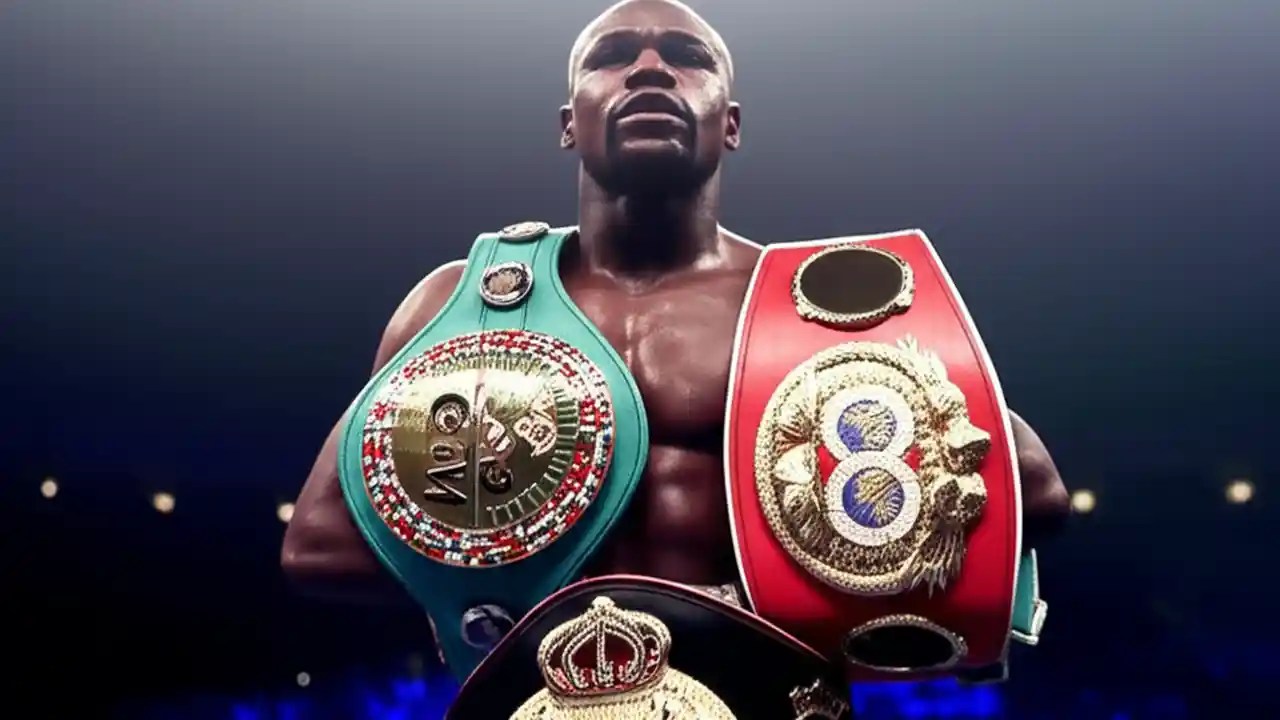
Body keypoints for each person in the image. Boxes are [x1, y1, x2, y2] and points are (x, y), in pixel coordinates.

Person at [282, 0, 1068, 657]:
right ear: (568, 123)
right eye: (612, 56)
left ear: (728, 123)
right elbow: (319, 542)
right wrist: (503, 590)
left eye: (685, 56)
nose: (650, 69)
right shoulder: (464, 304)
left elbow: (1033, 489)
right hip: (536, 699)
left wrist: (752, 603)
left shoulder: (813, 313)